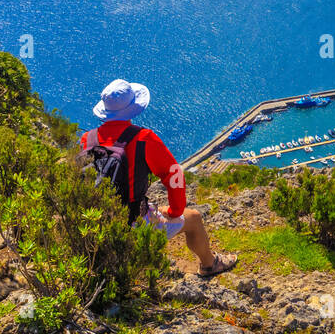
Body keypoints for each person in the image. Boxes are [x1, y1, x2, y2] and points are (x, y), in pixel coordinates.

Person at [80, 78, 237, 278]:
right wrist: (174, 210)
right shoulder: (143, 138)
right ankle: (210, 264)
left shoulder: (87, 139)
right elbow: (174, 175)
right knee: (194, 219)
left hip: (92, 221)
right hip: (131, 223)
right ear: (132, 109)